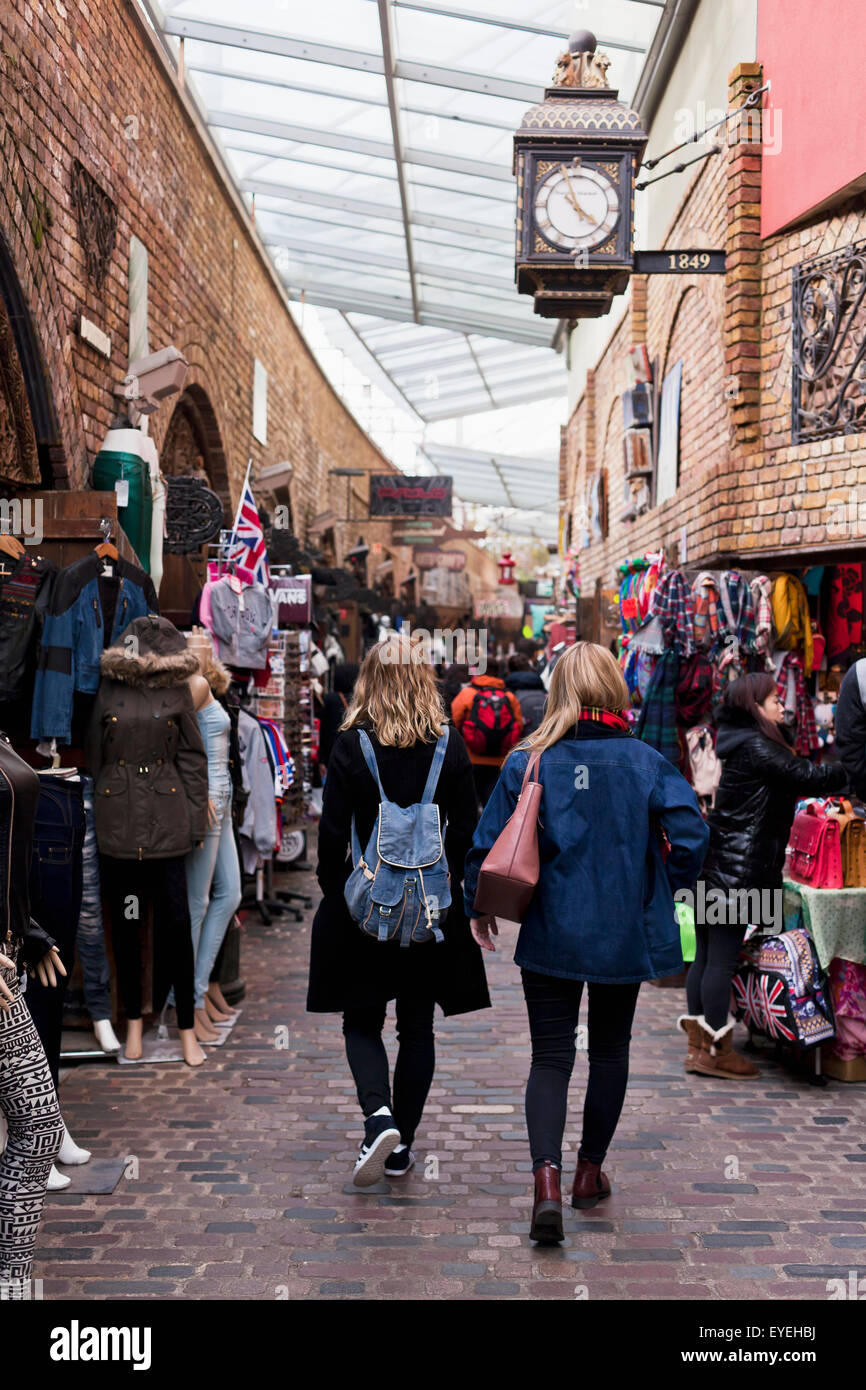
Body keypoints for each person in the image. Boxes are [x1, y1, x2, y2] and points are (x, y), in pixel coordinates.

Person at [464, 642, 708, 1244]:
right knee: (609, 1052)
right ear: (612, 691)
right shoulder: (645, 762)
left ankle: (545, 1179)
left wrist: (480, 903)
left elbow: (487, 841)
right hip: (621, 928)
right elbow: (693, 833)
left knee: (550, 1057)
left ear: (560, 692)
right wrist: (665, 882)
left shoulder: (530, 761)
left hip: (551, 928)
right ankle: (588, 1172)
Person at [307, 634, 490, 1187]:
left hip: (369, 905)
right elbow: (467, 833)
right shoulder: (447, 745)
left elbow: (332, 832)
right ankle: (400, 1144)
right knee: (417, 1029)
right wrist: (467, 899)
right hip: (430, 911)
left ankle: (377, 1114)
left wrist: (336, 893)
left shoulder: (350, 744)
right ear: (422, 680)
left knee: (361, 1019)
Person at [684, 672, 847, 1079]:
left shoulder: (739, 742)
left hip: (717, 862)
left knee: (705, 958)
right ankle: (715, 1052)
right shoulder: (758, 746)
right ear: (754, 706)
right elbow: (811, 778)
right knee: (718, 960)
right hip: (738, 870)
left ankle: (700, 1045)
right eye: (774, 699)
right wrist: (855, 764)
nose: (782, 705)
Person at [451, 658, 523, 809]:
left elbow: (453, 722)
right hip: (499, 760)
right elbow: (519, 725)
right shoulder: (509, 697)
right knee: (493, 804)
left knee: (468, 803)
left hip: (472, 758)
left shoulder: (467, 694)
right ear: (498, 673)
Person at [318, 662, 359, 770]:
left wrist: (321, 759)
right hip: (355, 752)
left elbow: (324, 730)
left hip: (333, 751)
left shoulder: (330, 699)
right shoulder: (360, 699)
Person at [505, 653, 548, 737]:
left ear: (510, 670)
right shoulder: (539, 684)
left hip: (519, 741)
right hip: (543, 739)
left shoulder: (508, 691)